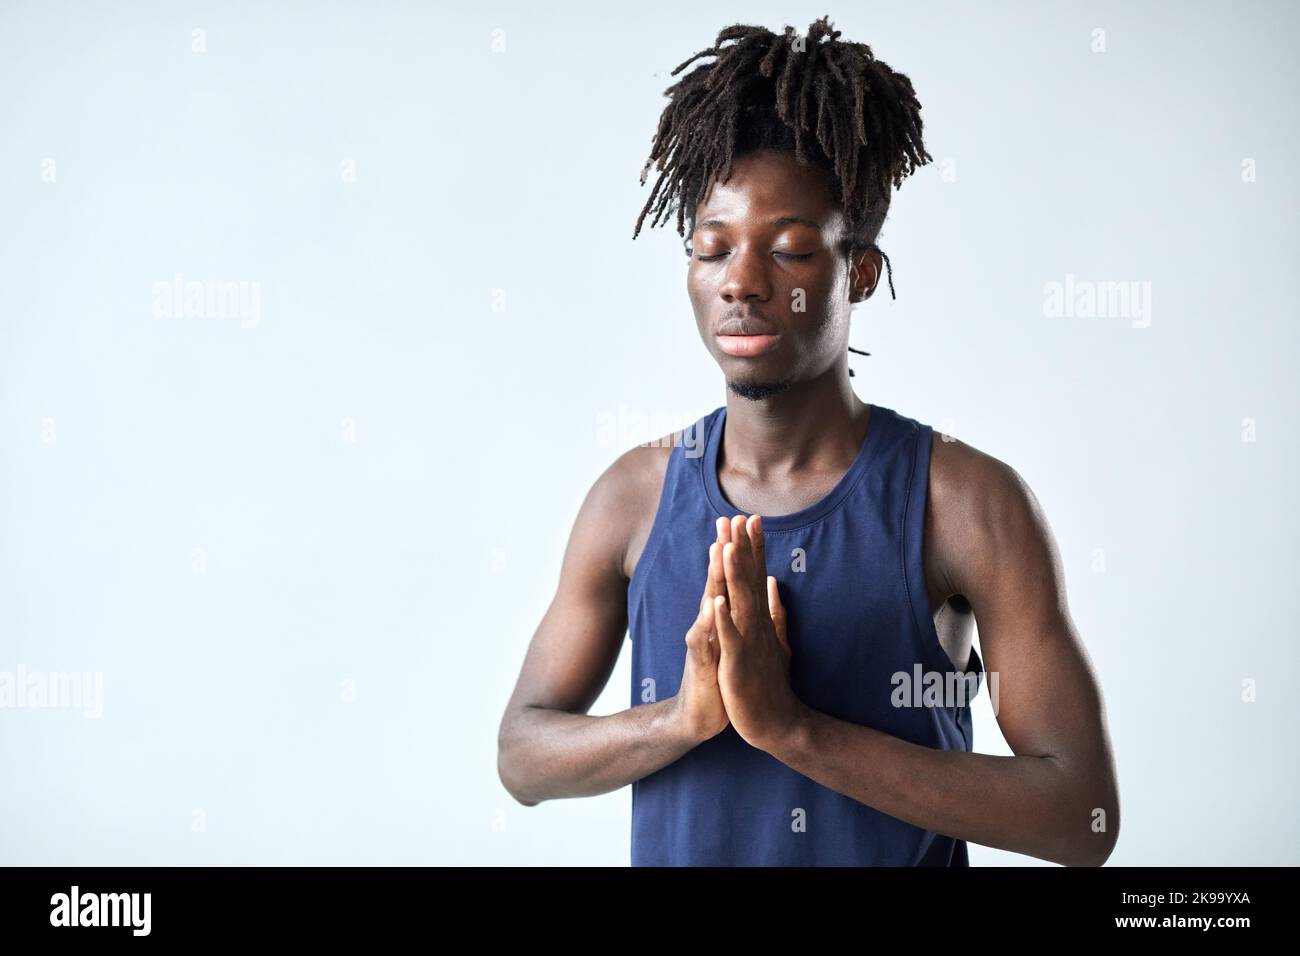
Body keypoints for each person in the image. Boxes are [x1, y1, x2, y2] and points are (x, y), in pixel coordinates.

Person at [497, 16, 1119, 866]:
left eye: (788, 251)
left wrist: (792, 730)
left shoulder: (967, 503)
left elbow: (1080, 814)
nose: (742, 283)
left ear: (859, 269)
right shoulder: (631, 498)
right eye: (712, 249)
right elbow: (522, 756)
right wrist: (683, 719)